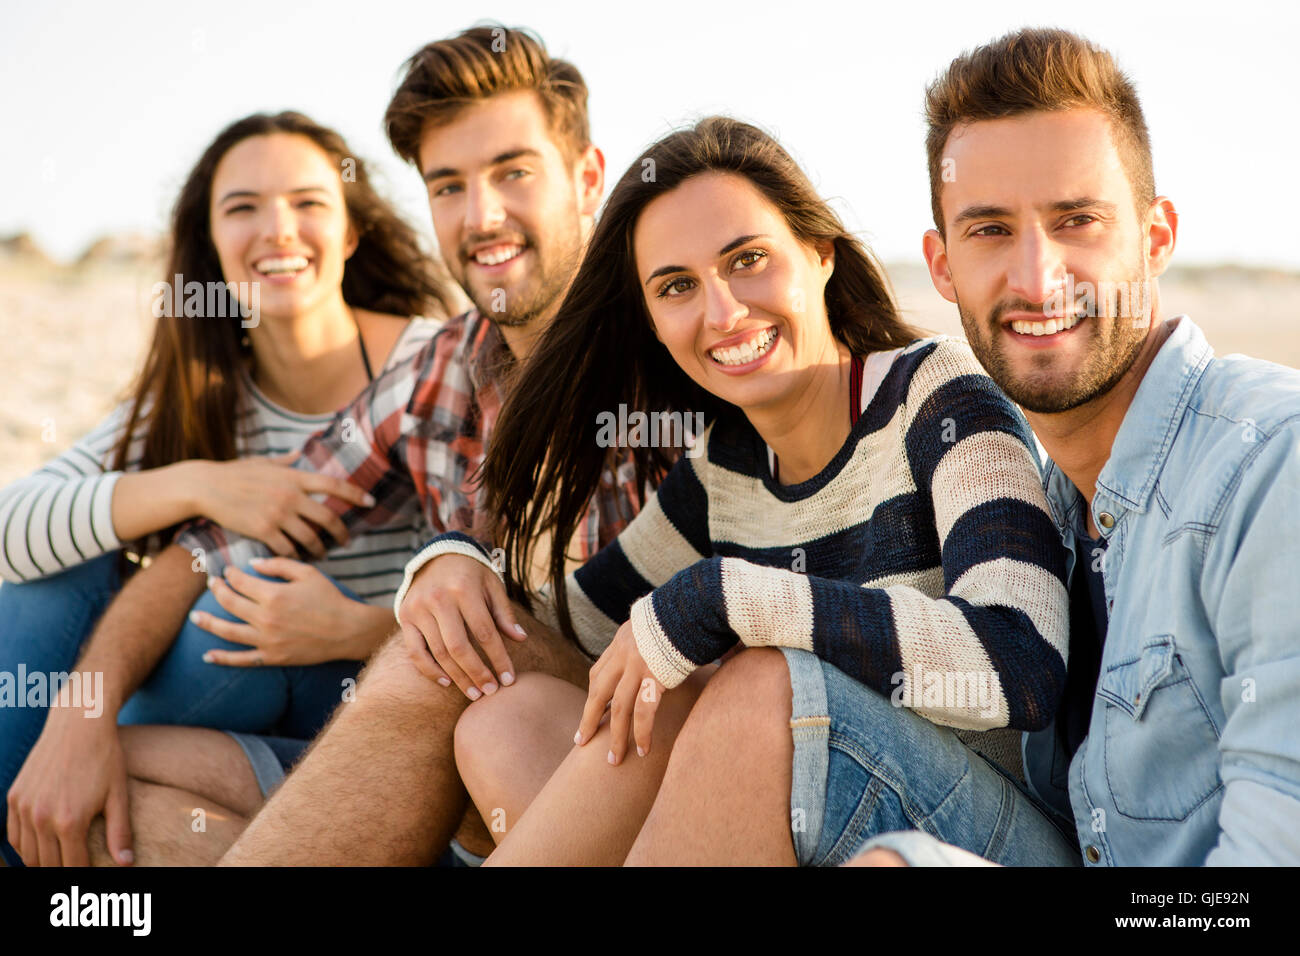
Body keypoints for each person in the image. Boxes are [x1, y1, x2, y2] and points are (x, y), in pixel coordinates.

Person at [625, 27, 1300, 868]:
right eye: (989, 231)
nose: (1036, 277)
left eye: (1077, 220)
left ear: (1156, 239)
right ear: (941, 268)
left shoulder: (1271, 465)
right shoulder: (1051, 503)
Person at [13, 24, 632, 869]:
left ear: (588, 177)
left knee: (445, 654)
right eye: (448, 186)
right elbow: (197, 545)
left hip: (565, 752)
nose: (481, 214)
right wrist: (82, 713)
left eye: (513, 172)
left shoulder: (663, 350)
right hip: (423, 752)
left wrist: (395, 613)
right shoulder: (442, 371)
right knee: (84, 788)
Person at [428, 114, 1078, 866]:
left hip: (981, 839)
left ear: (820, 254)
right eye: (677, 286)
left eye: (747, 260)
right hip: (793, 822)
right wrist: (452, 564)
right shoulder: (723, 470)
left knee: (758, 691)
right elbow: (571, 635)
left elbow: (1022, 664)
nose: (723, 313)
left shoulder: (938, 397)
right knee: (509, 718)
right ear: (654, 323)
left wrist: (724, 599)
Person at [0, 110, 459, 866]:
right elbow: (15, 533)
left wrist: (356, 627)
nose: (277, 230)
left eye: (308, 203)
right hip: (225, 724)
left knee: (220, 599)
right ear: (212, 249)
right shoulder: (201, 391)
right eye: (242, 208)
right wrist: (201, 486)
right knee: (58, 572)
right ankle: (49, 785)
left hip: (377, 703)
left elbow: (518, 603)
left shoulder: (431, 366)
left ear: (348, 234)